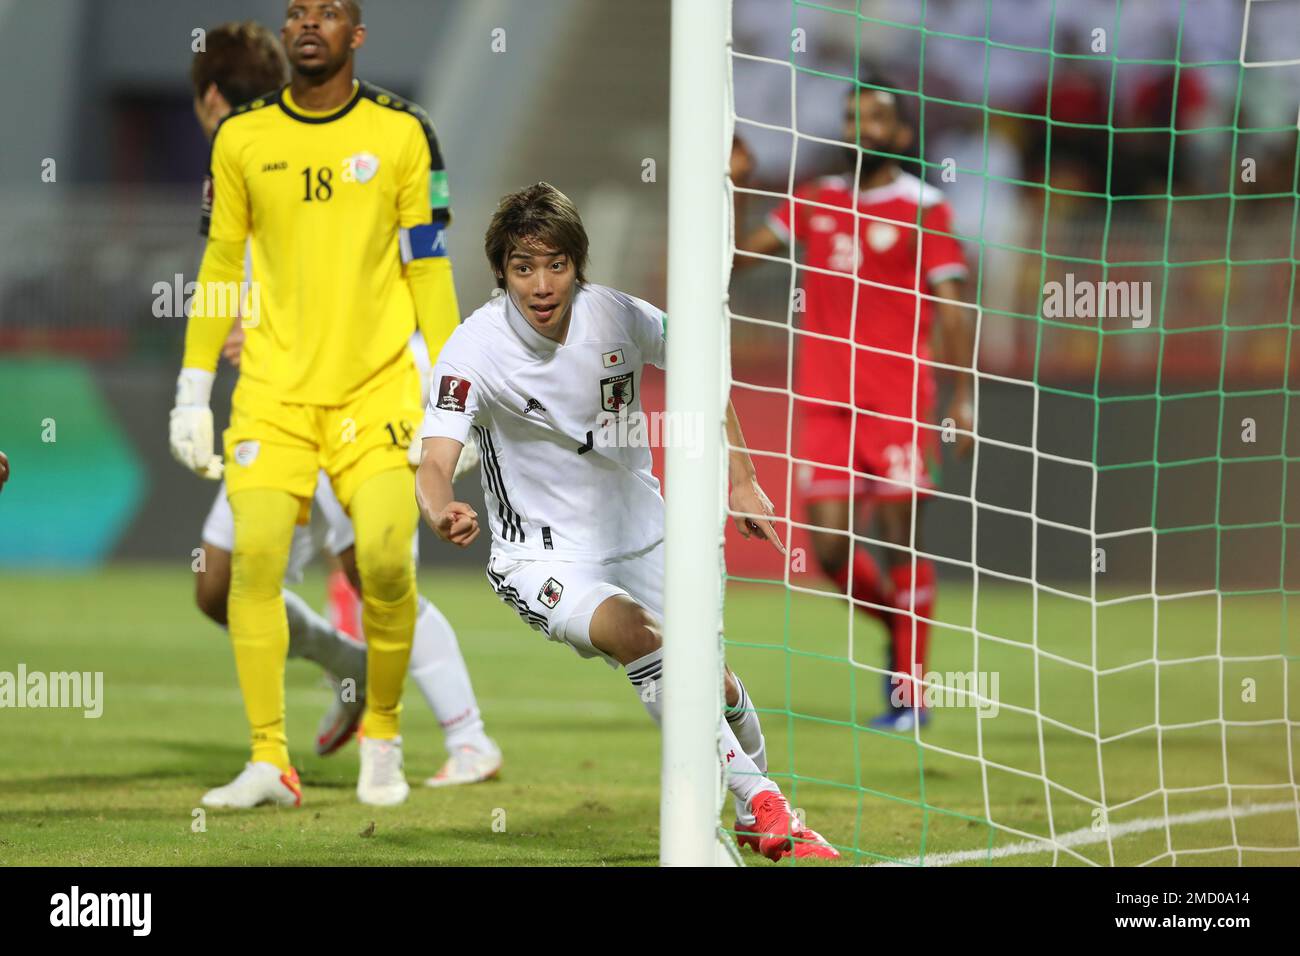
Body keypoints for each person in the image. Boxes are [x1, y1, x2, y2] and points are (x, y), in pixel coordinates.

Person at [415, 182, 838, 860]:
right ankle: (761, 798)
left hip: (644, 535)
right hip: (542, 559)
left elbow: (705, 370)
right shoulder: (473, 348)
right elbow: (434, 462)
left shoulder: (620, 317)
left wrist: (743, 479)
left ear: (578, 265)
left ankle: (755, 810)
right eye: (524, 267)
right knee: (637, 637)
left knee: (719, 686)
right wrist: (441, 509)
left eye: (556, 264)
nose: (542, 283)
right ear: (502, 272)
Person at [170, 0, 462, 807]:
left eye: (328, 13)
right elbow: (222, 264)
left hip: (378, 391)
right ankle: (272, 761)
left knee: (383, 564)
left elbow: (429, 269)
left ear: (355, 34)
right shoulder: (242, 138)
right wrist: (194, 389)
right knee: (250, 568)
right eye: (297, 12)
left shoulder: (406, 134)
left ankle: (383, 735)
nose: (309, 24)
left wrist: (455, 395)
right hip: (272, 395)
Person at [734, 73, 974, 730]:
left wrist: (966, 396)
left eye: (873, 117)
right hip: (828, 404)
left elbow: (955, 308)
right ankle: (902, 637)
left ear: (898, 132)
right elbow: (735, 260)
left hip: (899, 402)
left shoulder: (926, 206)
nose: (859, 128)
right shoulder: (816, 200)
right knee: (830, 552)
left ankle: (911, 692)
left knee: (902, 547)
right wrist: (734, 188)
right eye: (849, 116)